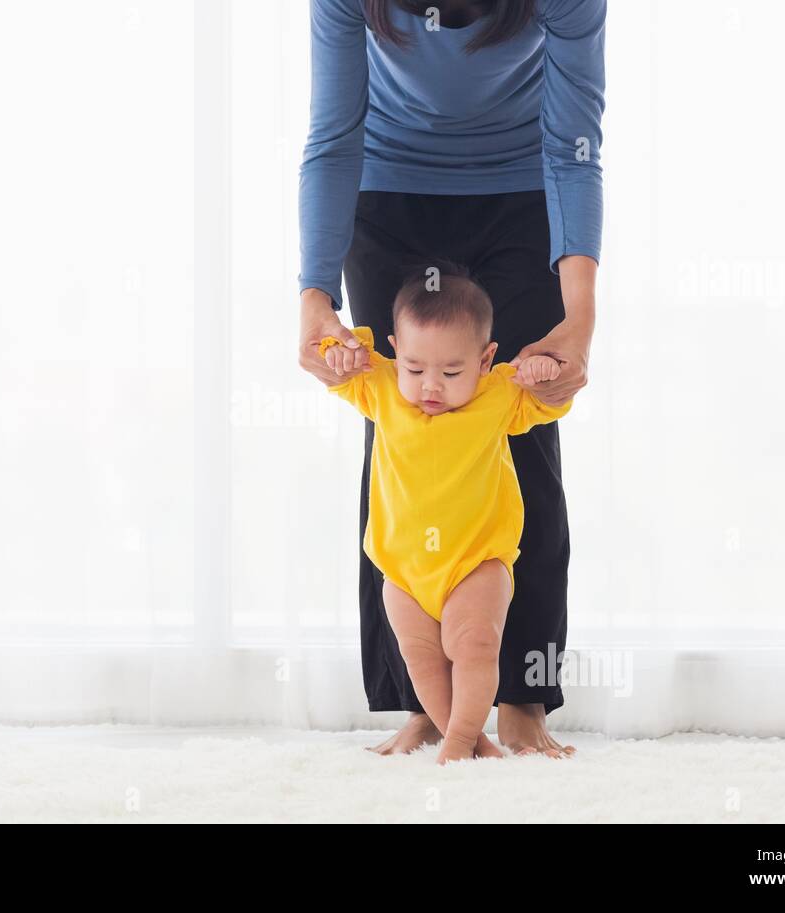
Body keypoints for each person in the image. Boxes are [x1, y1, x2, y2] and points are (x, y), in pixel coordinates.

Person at [296, 0, 605, 757]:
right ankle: (425, 703)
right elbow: (334, 136)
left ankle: (524, 696)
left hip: (521, 190)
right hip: (389, 190)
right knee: (402, 436)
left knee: (522, 439)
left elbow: (573, 146)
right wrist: (314, 297)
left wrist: (580, 315)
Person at [315, 264, 574, 763]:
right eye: (415, 368)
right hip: (404, 571)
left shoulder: (499, 394)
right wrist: (339, 350)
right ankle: (472, 738)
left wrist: (543, 372)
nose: (430, 385)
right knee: (423, 661)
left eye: (452, 372)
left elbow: (549, 400)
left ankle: (457, 745)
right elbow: (340, 364)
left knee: (476, 644)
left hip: (476, 563)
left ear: (485, 360)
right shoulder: (383, 387)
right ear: (396, 351)